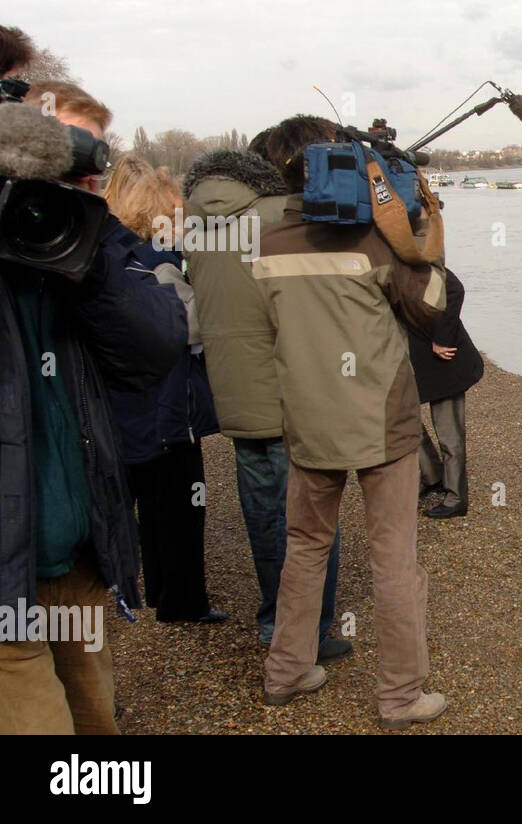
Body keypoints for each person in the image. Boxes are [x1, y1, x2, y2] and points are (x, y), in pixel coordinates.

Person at [0, 80, 187, 733]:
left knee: (94, 714)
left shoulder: (72, 240)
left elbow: (156, 346)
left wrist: (88, 249)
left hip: (75, 544)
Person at [252, 115, 448, 729]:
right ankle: (399, 695)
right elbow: (432, 309)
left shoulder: (268, 244)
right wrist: (420, 233)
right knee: (394, 557)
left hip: (307, 420)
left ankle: (285, 671)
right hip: (381, 419)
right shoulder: (372, 239)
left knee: (306, 547)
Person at [183, 148, 350, 660]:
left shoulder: (194, 231)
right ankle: (310, 634)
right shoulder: (281, 217)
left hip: (236, 398)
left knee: (264, 518)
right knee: (311, 524)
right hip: (293, 396)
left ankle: (273, 620)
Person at [103, 156, 223, 622]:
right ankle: (181, 600)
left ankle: (139, 591)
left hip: (124, 406)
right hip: (167, 408)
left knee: (139, 505)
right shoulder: (158, 264)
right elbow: (188, 327)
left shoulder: (111, 258)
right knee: (180, 510)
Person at [409, 268, 483, 519]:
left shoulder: (414, 257)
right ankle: (431, 474)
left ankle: (456, 498)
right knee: (401, 417)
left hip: (446, 359)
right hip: (412, 360)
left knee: (449, 433)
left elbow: (454, 289)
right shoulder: (376, 257)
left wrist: (442, 338)